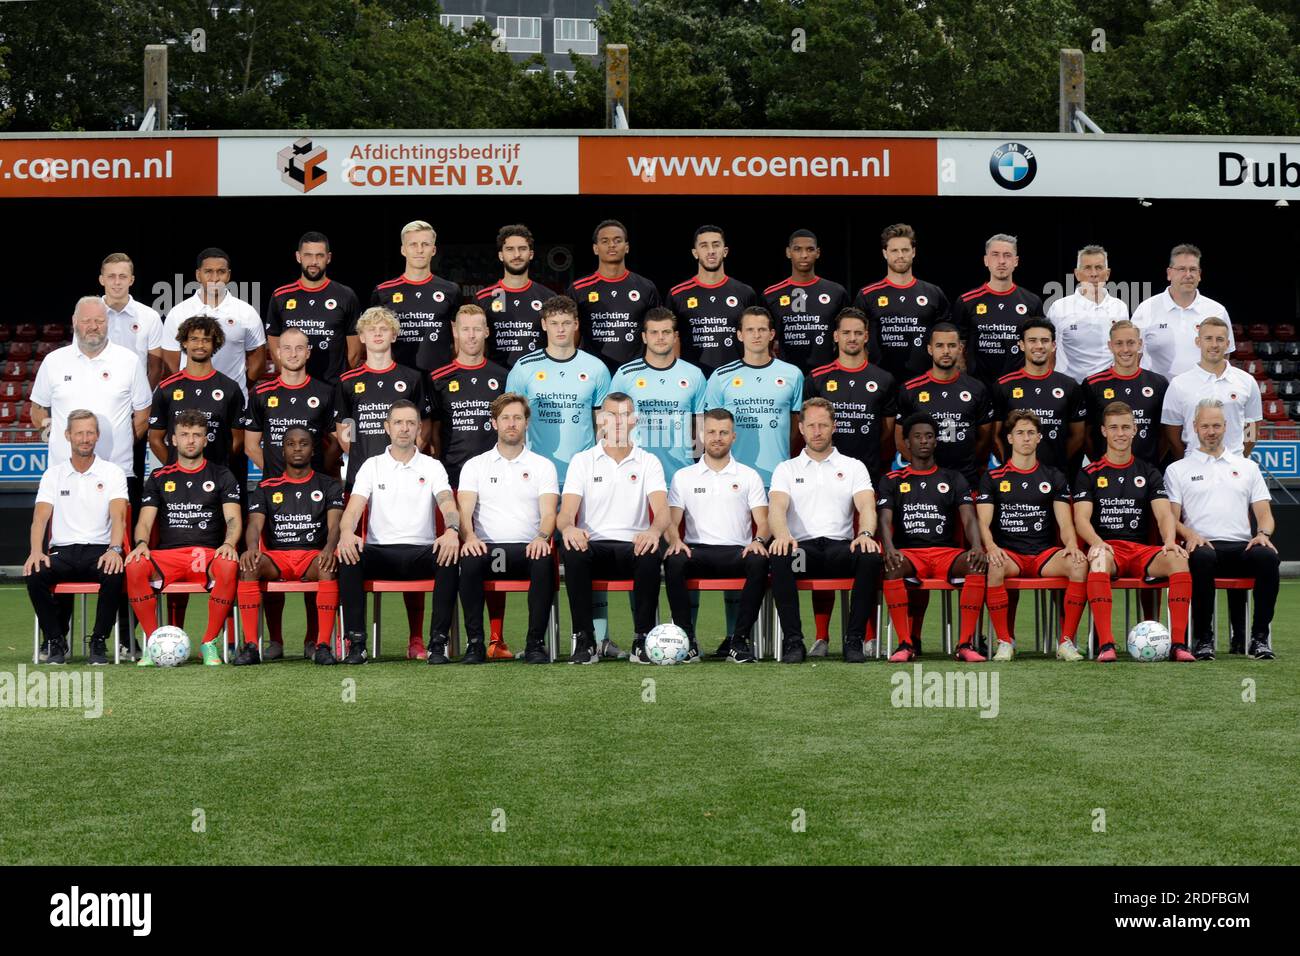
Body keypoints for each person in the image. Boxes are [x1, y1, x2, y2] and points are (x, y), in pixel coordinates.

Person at [335, 306, 432, 660]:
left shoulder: (412, 377)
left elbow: (423, 430)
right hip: (364, 481)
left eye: (384, 328)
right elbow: (344, 435)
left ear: (394, 335)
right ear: (361, 337)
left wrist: (399, 462)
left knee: (411, 543)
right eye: (371, 329)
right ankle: (352, 638)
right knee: (351, 552)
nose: (377, 334)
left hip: (407, 477)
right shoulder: (348, 381)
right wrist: (372, 464)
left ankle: (416, 638)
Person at [335, 400, 461, 664]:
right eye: (398, 423)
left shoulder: (432, 466)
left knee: (450, 556)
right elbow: (353, 509)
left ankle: (438, 645)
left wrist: (452, 530)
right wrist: (346, 532)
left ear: (419, 428)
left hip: (422, 552)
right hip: (380, 553)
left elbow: (447, 502)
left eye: (411, 423)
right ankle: (356, 644)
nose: (404, 428)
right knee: (348, 555)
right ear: (387, 427)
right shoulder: (371, 465)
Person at [1071, 401, 1196, 663]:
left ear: (1135, 430)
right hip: (1109, 549)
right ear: (1104, 431)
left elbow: (1164, 514)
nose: (1120, 433)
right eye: (1114, 427)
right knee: (1098, 560)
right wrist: (1096, 542)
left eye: (1126, 427)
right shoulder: (1089, 473)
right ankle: (1106, 644)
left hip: (1141, 552)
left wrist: (1170, 540)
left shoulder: (1148, 471)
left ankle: (1178, 644)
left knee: (1178, 558)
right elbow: (1081, 519)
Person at [557, 393, 670, 664]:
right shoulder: (582, 460)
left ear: (634, 420)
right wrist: (569, 528)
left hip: (633, 545)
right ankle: (585, 640)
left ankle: (642, 639)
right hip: (593, 545)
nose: (618, 421)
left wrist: (653, 531)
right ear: (600, 419)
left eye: (625, 415)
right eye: (611, 415)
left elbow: (663, 512)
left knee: (650, 550)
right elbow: (565, 515)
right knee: (572, 549)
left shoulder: (649, 461)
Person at [767, 399, 882, 663]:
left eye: (823, 425)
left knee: (869, 556)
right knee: (780, 555)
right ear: (801, 428)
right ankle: (793, 642)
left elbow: (866, 506)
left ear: (834, 427)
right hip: (802, 550)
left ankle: (854, 640)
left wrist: (865, 534)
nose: (817, 431)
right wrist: (782, 535)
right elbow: (776, 508)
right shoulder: (786, 468)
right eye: (811, 426)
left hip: (840, 550)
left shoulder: (853, 466)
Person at [124, 410, 242, 667]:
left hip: (207, 555)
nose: (191, 440)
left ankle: (209, 643)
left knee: (229, 564)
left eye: (197, 435)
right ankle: (154, 643)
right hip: (168, 556)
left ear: (206, 440)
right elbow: (144, 521)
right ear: (173, 439)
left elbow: (233, 519)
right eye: (185, 434)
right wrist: (141, 544)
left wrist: (229, 543)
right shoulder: (159, 477)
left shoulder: (222, 475)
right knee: (134, 565)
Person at [1165, 399, 1278, 660]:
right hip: (1201, 546)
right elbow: (1170, 518)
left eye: (1216, 425)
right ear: (1195, 427)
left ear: (1226, 426)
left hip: (1241, 547)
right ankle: (1203, 639)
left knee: (1267, 557)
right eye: (1205, 426)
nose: (1211, 431)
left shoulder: (1248, 467)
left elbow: (1265, 514)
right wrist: (1190, 534)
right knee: (1202, 557)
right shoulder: (1178, 469)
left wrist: (1263, 534)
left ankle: (1259, 638)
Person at [975, 410, 1089, 662]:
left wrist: (1071, 545)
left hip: (1043, 556)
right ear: (1010, 438)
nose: (1026, 438)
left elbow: (1065, 523)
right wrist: (991, 547)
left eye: (1030, 433)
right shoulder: (993, 477)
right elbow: (982, 522)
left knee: (1078, 564)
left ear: (1039, 437)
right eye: (1020, 433)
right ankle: (1005, 642)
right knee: (994, 566)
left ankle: (1066, 641)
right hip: (1010, 554)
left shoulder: (1053, 476)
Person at [456, 393, 559, 665]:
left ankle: (535, 644)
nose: (511, 424)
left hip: (527, 548)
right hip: (487, 548)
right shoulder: (475, 465)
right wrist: (469, 537)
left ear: (526, 423)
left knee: (543, 559)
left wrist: (542, 537)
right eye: (505, 418)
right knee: (469, 559)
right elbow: (464, 512)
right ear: (494, 423)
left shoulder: (543, 466)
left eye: (517, 418)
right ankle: (475, 644)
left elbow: (549, 513)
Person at [878, 414, 988, 663]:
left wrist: (976, 546)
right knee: (892, 565)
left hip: (946, 554)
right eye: (917, 437)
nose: (924, 441)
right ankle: (905, 644)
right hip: (910, 554)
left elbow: (969, 518)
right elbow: (884, 519)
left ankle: (965, 644)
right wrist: (889, 548)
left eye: (929, 436)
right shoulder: (892, 480)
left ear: (936, 441)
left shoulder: (953, 478)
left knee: (975, 564)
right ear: (907, 442)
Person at [663, 407, 770, 663]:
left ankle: (739, 641)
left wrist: (758, 541)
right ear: (702, 435)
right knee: (673, 559)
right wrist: (675, 540)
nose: (717, 438)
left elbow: (764, 522)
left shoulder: (749, 476)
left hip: (737, 552)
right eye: (711, 432)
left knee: (759, 560)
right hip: (697, 551)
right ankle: (687, 641)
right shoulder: (683, 477)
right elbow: (671, 522)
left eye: (723, 432)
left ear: (733, 436)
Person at [25, 410, 127, 666]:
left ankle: (99, 640)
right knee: (34, 572)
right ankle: (55, 639)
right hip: (62, 552)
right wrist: (36, 551)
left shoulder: (113, 472)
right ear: (68, 435)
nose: (85, 438)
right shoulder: (53, 474)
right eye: (79, 433)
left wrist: (115, 549)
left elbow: (119, 516)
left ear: (98, 435)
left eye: (90, 432)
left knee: (115, 571)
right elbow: (40, 519)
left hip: (100, 550)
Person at [234, 428, 344, 666]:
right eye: (291, 444)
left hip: (312, 556)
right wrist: (251, 547)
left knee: (327, 566)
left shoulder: (328, 485)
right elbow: (254, 525)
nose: (297, 449)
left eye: (303, 444)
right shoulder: (266, 486)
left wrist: (329, 548)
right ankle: (251, 646)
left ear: (313, 450)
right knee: (249, 566)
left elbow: (335, 525)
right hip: (277, 558)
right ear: (282, 451)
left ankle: (322, 645)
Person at [30, 297, 151, 483]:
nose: (93, 326)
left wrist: (123, 444)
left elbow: (143, 415)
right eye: (86, 321)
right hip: (63, 472)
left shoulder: (129, 361)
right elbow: (38, 409)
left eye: (99, 321)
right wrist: (55, 439)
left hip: (117, 472)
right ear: (74, 321)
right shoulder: (53, 361)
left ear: (107, 322)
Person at [504, 295, 611, 488]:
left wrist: (602, 468)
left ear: (576, 324)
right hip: (535, 475)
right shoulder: (524, 368)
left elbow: (603, 426)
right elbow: (510, 424)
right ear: (544, 325)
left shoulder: (597, 368)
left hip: (584, 475)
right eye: (554, 323)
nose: (560, 329)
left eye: (566, 323)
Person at [703, 306, 804, 488]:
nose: (756, 335)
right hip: (731, 478)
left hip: (778, 478)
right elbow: (710, 428)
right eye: (750, 330)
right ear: (740, 335)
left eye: (762, 330)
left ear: (771, 334)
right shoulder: (720, 376)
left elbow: (796, 425)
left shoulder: (793, 374)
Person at [609, 307, 707, 485]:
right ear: (644, 337)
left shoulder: (694, 375)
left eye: (666, 332)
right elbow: (609, 426)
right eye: (654, 332)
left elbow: (699, 427)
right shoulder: (625, 374)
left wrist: (695, 467)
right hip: (635, 476)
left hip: (681, 476)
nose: (660, 337)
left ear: (675, 336)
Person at [804, 307, 897, 485]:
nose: (852, 338)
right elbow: (807, 425)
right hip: (824, 473)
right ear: (836, 336)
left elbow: (886, 430)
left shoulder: (884, 379)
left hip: (868, 472)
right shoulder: (816, 378)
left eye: (858, 333)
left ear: (866, 337)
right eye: (846, 333)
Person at [896, 322, 994, 488]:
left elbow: (984, 438)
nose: (946, 351)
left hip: (966, 480)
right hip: (923, 481)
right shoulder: (910, 389)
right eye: (940, 345)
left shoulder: (977, 389)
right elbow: (899, 439)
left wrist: (966, 463)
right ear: (930, 349)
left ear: (960, 348)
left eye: (952, 345)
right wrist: (922, 466)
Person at [161, 247, 266, 400]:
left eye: (221, 272)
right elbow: (170, 366)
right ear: (198, 275)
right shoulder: (178, 313)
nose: (215, 278)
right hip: (189, 400)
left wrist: (236, 389)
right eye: (208, 271)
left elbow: (258, 363)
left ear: (228, 275)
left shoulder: (246, 313)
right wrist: (186, 391)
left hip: (233, 402)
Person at [852, 223, 950, 381]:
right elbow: (855, 339)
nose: (900, 255)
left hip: (924, 382)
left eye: (905, 250)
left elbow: (949, 338)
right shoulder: (867, 295)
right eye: (894, 250)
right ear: (885, 253)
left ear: (913, 252)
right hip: (878, 381)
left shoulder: (933, 293)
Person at [566, 219, 662, 373]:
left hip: (636, 373)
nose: (612, 245)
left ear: (627, 247)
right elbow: (570, 334)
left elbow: (659, 330)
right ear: (595, 248)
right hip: (591, 372)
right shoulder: (578, 289)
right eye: (605, 241)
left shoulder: (646, 287)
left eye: (617, 240)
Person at [265, 231, 362, 383]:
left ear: (328, 258)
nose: (314, 261)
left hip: (333, 388)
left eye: (320, 256)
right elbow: (274, 343)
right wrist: (290, 379)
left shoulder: (346, 295)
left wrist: (339, 382)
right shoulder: (280, 296)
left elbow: (355, 352)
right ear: (298, 257)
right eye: (308, 255)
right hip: (294, 387)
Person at [149, 315, 245, 468]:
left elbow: (238, 439)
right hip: (178, 477)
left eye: (206, 340)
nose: (200, 345)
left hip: (216, 478)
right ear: (184, 342)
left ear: (215, 344)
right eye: (194, 339)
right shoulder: (166, 388)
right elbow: (155, 439)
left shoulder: (230, 388)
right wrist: (176, 468)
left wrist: (218, 470)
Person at [427, 304, 507, 488]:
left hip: (494, 473)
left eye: (477, 329)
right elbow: (434, 430)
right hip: (452, 472)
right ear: (455, 331)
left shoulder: (502, 376)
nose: (471, 335)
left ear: (486, 332)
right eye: (465, 329)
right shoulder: (438, 378)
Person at [990, 318, 1086, 470]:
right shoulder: (1003, 386)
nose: (1039, 346)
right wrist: (1009, 465)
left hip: (1056, 477)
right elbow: (993, 436)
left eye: (1045, 341)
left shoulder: (1069, 386)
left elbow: (1078, 436)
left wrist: (1055, 467)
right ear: (1022, 345)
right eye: (1032, 340)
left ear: (1053, 345)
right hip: (1014, 476)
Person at [243, 327, 338, 480]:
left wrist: (319, 472)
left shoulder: (326, 392)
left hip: (313, 485)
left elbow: (338, 442)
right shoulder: (261, 393)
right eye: (287, 348)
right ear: (278, 353)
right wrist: (275, 477)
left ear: (307, 353)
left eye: (299, 348)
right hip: (274, 486)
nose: (293, 354)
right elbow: (250, 446)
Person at [953, 233, 1045, 389]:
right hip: (978, 387)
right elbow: (958, 345)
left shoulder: (1031, 301)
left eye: (1007, 255)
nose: (1001, 261)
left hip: (1020, 387)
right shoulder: (967, 301)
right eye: (995, 255)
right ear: (986, 260)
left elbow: (1040, 345)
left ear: (1016, 261)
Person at [1162, 316, 1261, 460]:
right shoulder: (1179, 384)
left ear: (1227, 344)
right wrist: (1188, 462)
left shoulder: (1247, 381)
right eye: (1208, 338)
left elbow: (1251, 429)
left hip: (1234, 466)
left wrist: (1238, 459)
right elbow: (1172, 437)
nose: (1214, 345)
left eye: (1220, 339)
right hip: (1193, 465)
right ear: (1198, 342)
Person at [369, 220, 461, 373]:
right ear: (403, 250)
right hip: (397, 378)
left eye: (425, 244)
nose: (419, 250)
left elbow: (459, 339)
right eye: (413, 244)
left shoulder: (451, 290)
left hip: (440, 379)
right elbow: (372, 339)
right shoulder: (383, 292)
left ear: (433, 250)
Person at [1132, 243, 1234, 379]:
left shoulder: (1217, 311)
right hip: (1156, 390)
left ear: (1199, 275)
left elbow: (1224, 354)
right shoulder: (1146, 309)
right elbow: (1133, 355)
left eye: (1193, 269)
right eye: (1181, 269)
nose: (1188, 275)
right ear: (1169, 273)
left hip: (1202, 390)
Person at [669, 225, 758, 376]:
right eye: (704, 246)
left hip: (737, 378)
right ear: (695, 253)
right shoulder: (677, 294)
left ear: (725, 251)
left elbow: (757, 337)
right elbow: (670, 340)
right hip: (693, 379)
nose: (711, 251)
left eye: (716, 245)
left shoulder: (745, 293)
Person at [1081, 320, 1169, 465]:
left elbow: (1166, 434)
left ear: (1140, 344)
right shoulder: (1093, 384)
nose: (1125, 349)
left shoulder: (1158, 383)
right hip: (1106, 472)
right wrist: (1100, 463)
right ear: (1110, 346)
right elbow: (1085, 435)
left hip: (1148, 471)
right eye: (1119, 343)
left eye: (1131, 343)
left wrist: (1150, 465)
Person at [764, 229, 851, 370]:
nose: (804, 255)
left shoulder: (836, 292)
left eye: (810, 249)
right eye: (797, 249)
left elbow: (848, 333)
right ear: (788, 252)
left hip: (827, 374)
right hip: (784, 374)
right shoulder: (771, 295)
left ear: (818, 253)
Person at [1048, 245, 1129, 382]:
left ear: (1107, 273)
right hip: (1069, 386)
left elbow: (1124, 350)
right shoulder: (1059, 308)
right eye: (1087, 268)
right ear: (1077, 274)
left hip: (1108, 386)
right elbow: (1048, 350)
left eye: (1099, 267)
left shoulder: (1120, 307)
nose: (1094, 274)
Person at [477, 224, 549, 369]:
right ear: (501, 255)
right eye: (510, 249)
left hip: (538, 376)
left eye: (522, 249)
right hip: (497, 377)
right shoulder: (483, 298)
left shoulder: (547, 297)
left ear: (531, 254)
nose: (517, 255)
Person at [99, 252, 165, 388]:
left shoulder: (150, 316)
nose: (117, 282)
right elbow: (79, 359)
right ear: (102, 279)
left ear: (131, 280)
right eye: (111, 276)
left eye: (123, 276)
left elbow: (156, 369)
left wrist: (142, 398)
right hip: (95, 394)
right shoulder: (87, 315)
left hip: (135, 394)